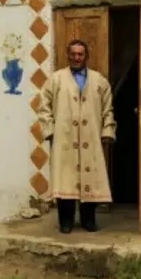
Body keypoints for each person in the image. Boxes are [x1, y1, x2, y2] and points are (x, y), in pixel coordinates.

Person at [37, 39, 116, 233]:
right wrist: (50, 131)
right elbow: (43, 108)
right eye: (73, 54)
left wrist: (107, 131)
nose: (76, 58)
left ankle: (89, 220)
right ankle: (66, 221)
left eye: (80, 54)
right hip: (65, 137)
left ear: (86, 57)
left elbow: (108, 109)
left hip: (90, 137)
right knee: (66, 179)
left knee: (90, 177)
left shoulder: (99, 81)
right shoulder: (55, 80)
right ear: (68, 55)